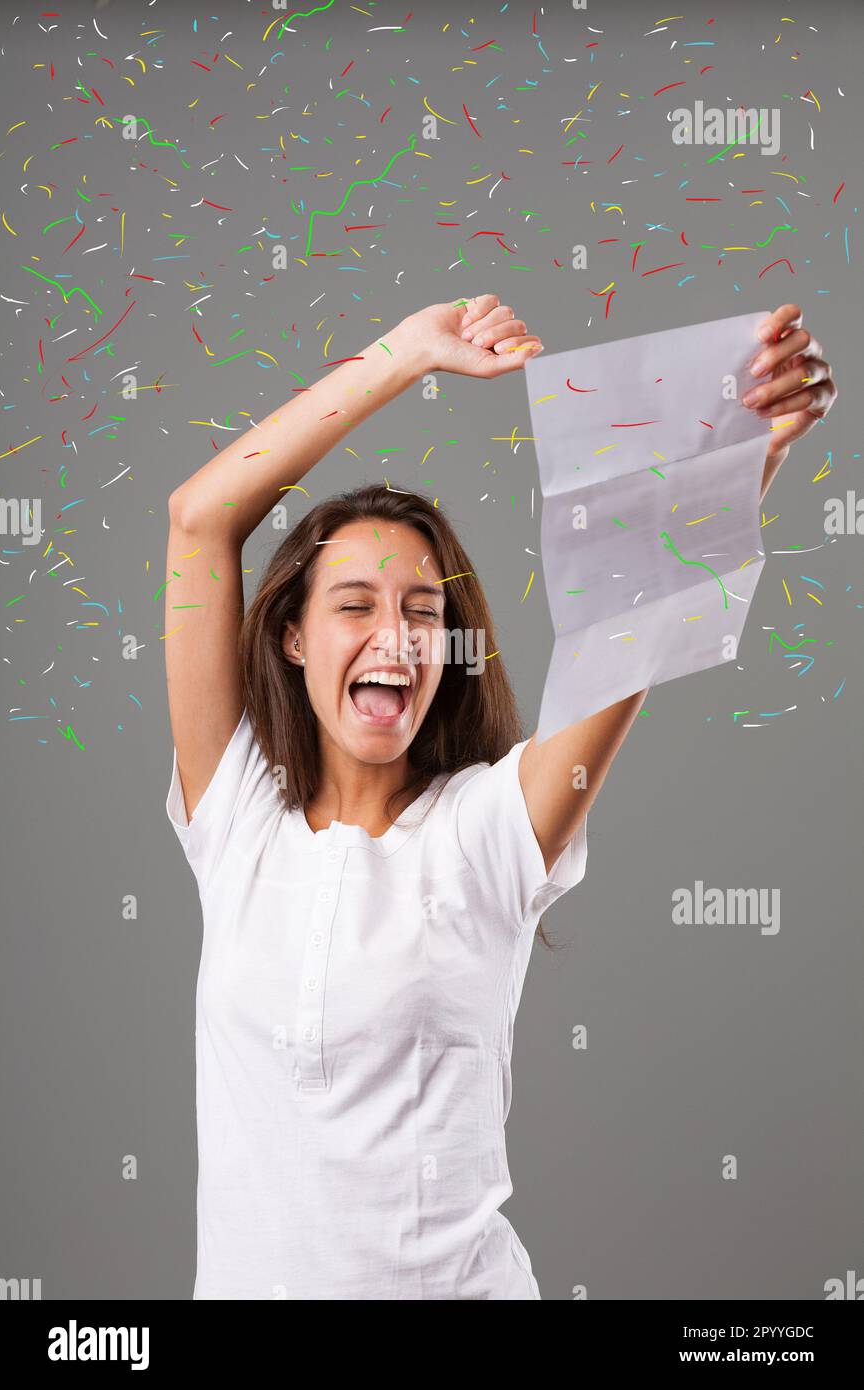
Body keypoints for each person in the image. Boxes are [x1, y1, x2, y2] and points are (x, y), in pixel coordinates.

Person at [164, 295, 836, 1299]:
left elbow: (631, 622)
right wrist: (404, 354)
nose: (392, 636)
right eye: (353, 604)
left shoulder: (482, 831)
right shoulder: (236, 819)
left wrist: (737, 459)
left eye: (421, 611)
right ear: (294, 637)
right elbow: (199, 518)